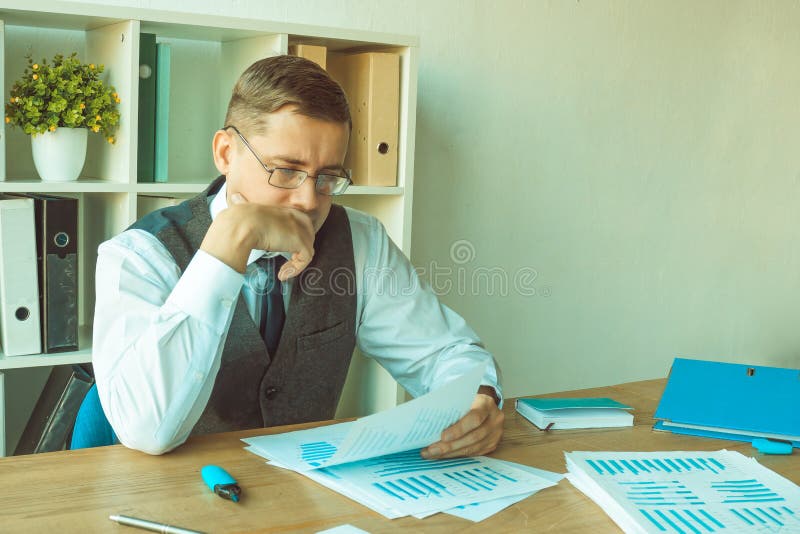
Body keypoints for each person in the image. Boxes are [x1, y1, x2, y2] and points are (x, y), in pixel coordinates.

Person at [92, 55, 503, 458]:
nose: (308, 201)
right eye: (286, 171)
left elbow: (444, 353)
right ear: (225, 153)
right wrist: (230, 241)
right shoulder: (138, 255)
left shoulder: (360, 241)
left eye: (327, 178)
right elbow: (146, 431)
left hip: (305, 499)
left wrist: (477, 399)